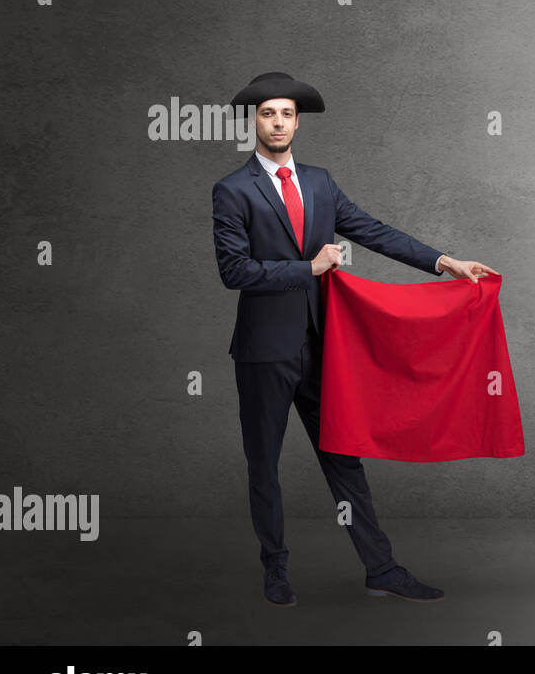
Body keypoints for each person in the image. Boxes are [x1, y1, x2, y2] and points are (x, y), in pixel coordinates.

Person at [212, 71, 498, 606]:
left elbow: (372, 229)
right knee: (263, 465)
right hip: (263, 353)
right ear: (254, 120)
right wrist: (309, 266)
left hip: (323, 350)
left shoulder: (320, 181)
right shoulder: (232, 190)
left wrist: (443, 262)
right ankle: (275, 570)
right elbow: (235, 271)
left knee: (345, 458)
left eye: (287, 114)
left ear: (298, 121)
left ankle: (381, 568)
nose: (278, 122)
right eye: (268, 113)